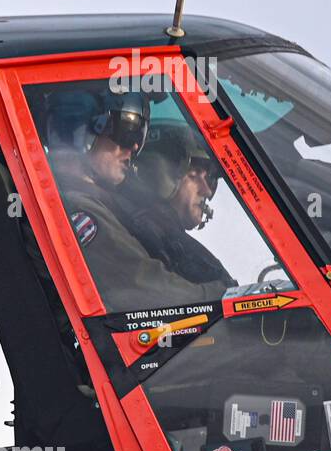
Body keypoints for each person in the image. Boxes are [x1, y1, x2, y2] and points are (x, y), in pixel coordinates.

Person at [46, 90, 230, 311]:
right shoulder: (78, 210)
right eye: (127, 131)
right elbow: (148, 290)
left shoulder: (106, 204)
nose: (134, 148)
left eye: (139, 136)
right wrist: (228, 297)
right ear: (79, 132)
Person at [112, 123, 236, 290]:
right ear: (158, 173)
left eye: (211, 180)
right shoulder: (144, 234)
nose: (206, 191)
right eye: (193, 175)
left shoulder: (164, 236)